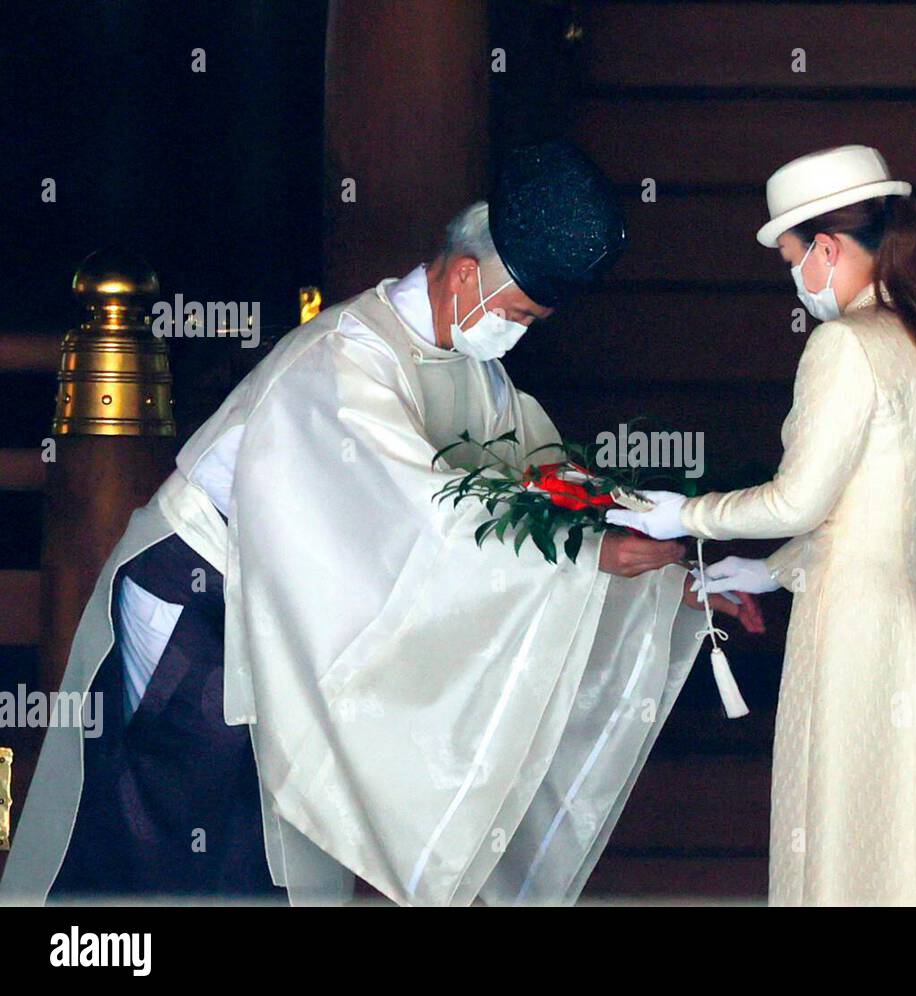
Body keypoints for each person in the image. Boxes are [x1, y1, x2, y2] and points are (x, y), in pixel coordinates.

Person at [2, 140, 761, 906]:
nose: (517, 332)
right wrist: (594, 558)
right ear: (464, 275)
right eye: (518, 314)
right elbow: (430, 512)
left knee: (267, 839)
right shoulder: (344, 360)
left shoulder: (482, 380)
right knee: (175, 819)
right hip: (203, 587)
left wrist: (670, 573)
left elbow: (549, 489)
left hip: (284, 611)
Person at [607, 145, 916, 906]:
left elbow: (798, 501)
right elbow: (875, 504)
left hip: (866, 630)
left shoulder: (846, 343)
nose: (795, 278)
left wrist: (685, 513)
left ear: (826, 248)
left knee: (853, 840)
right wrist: (773, 569)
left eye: (794, 259)